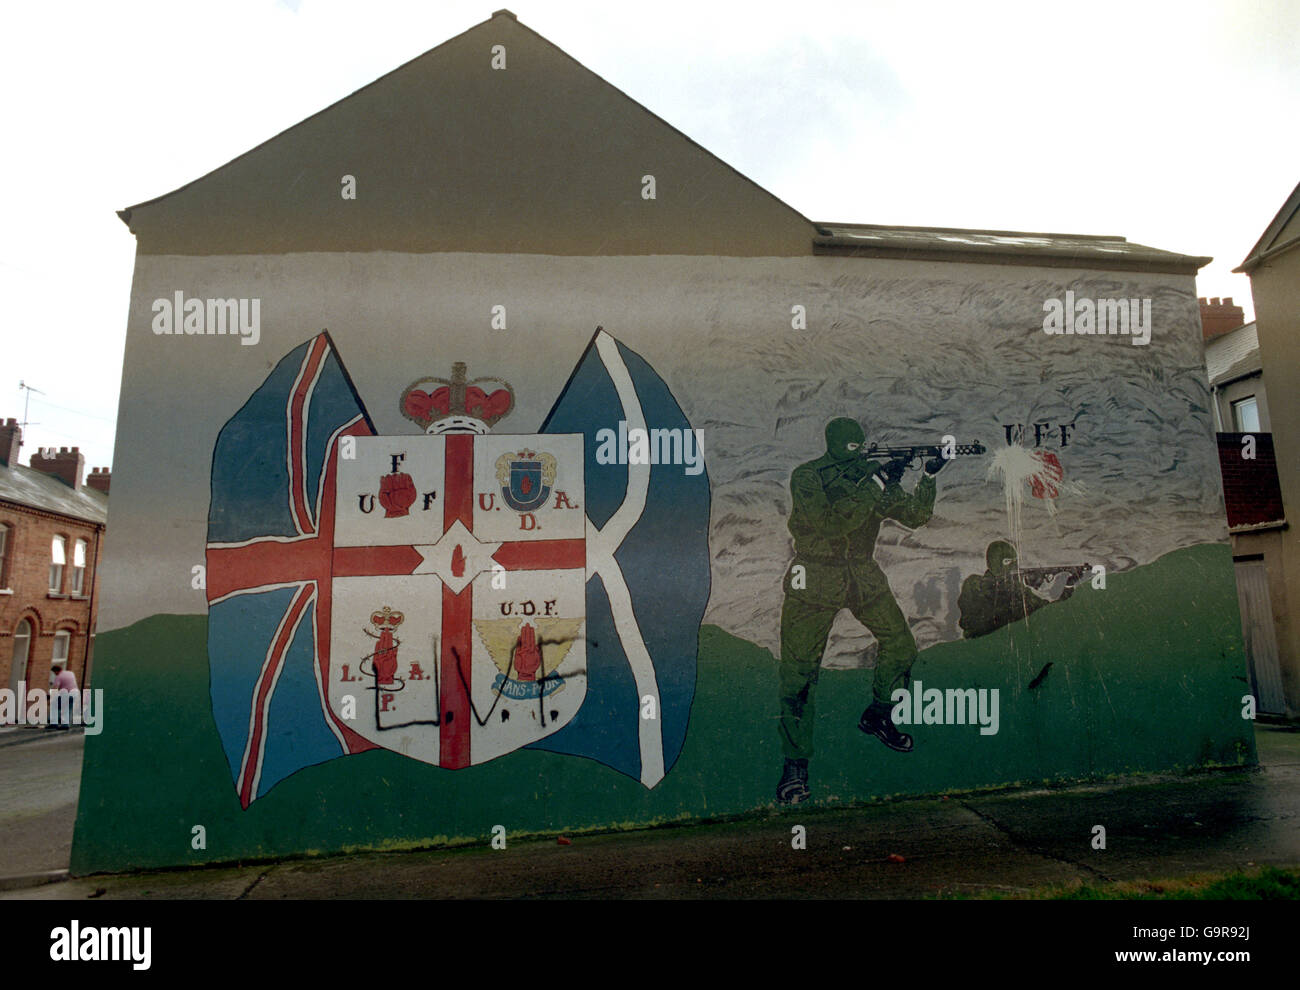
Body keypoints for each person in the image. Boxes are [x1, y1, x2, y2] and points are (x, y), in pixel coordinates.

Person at [776, 417, 946, 805]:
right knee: (799, 677)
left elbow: (915, 516)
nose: (854, 450)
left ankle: (879, 713)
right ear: (833, 442)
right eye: (849, 444)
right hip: (814, 574)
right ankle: (795, 768)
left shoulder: (872, 476)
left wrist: (929, 477)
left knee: (902, 647)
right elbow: (830, 524)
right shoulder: (808, 477)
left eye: (858, 444)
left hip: (861, 574)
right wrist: (876, 483)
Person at [957, 540, 1075, 639]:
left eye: (1015, 561)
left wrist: (1067, 589)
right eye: (1007, 561)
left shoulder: (1015, 587)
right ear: (994, 562)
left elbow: (1041, 608)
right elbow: (969, 622)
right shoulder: (975, 584)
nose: (1013, 566)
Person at [51, 664, 78, 730]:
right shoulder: (71, 673)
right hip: (75, 693)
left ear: (56, 671)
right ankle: (66, 724)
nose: (54, 674)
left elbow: (55, 688)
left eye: (54, 672)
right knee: (69, 708)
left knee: (54, 705)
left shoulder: (59, 676)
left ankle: (54, 723)